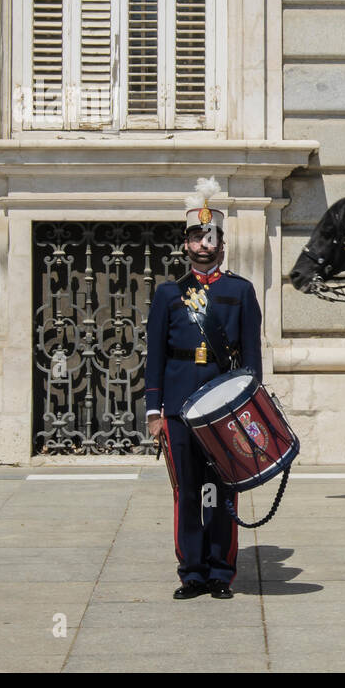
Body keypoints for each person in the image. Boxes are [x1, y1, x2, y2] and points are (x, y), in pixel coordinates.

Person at [145, 177, 262, 601]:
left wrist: (251, 412)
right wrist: (153, 413)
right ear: (186, 244)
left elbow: (251, 361)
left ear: (222, 244)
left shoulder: (241, 292)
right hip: (177, 410)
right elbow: (154, 355)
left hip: (223, 411)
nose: (204, 245)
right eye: (197, 237)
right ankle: (191, 571)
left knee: (222, 491)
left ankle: (220, 571)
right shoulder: (168, 294)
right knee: (188, 491)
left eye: (211, 238)